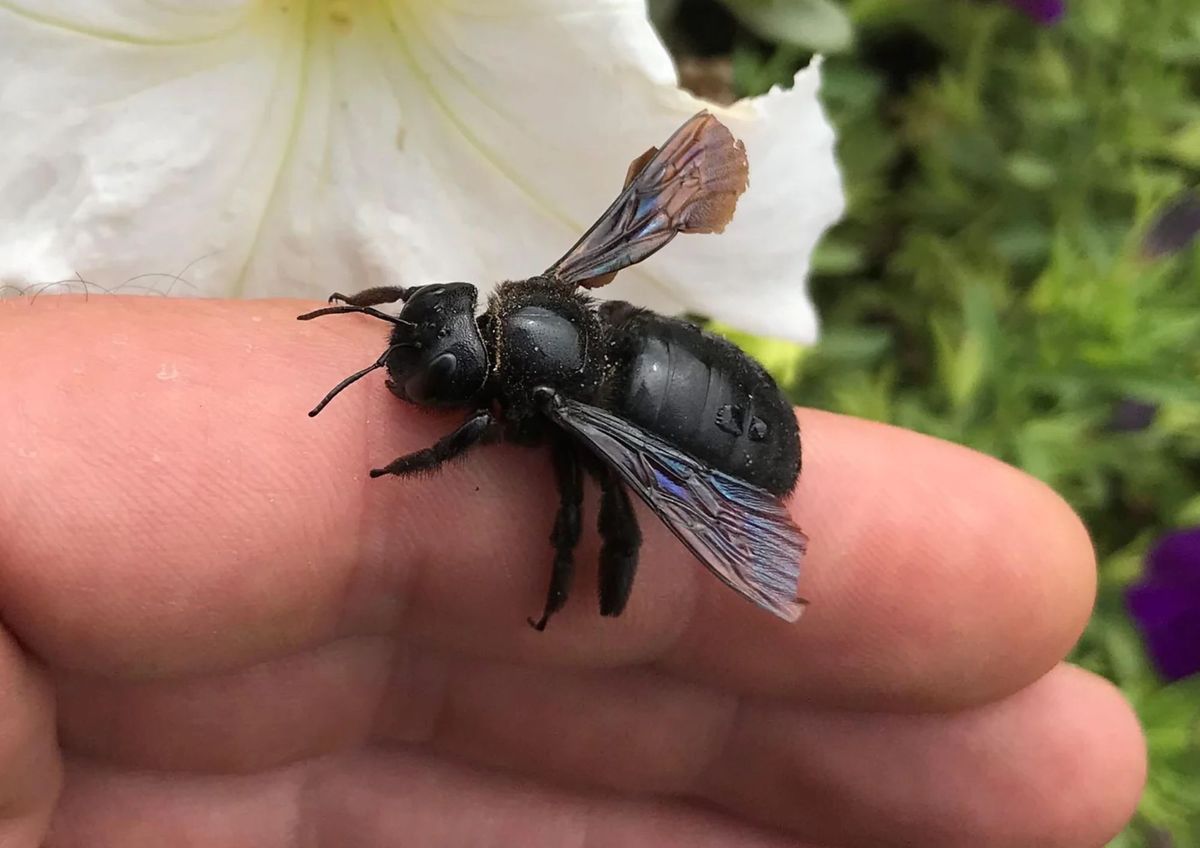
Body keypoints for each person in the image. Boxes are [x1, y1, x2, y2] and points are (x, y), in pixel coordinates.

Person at [0, 297, 1145, 847]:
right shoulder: (547, 307)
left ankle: (576, 597)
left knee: (594, 504)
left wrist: (419, 464)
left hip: (712, 429)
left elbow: (541, 469)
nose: (412, 360)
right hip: (688, 362)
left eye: (433, 363)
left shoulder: (544, 407)